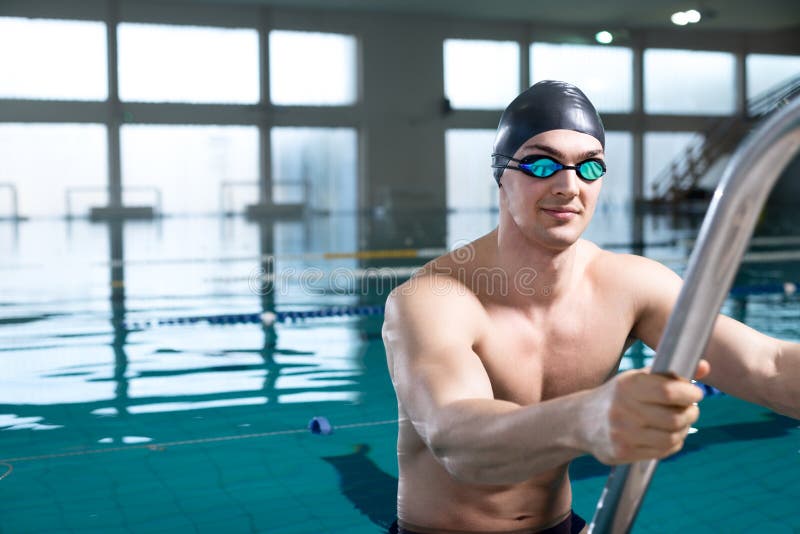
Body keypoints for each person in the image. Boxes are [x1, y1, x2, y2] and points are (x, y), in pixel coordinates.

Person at [381, 80, 800, 534]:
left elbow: (767, 366)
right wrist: (585, 417)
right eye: (542, 164)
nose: (568, 185)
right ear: (502, 174)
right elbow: (455, 438)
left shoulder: (630, 284)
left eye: (589, 167)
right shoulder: (431, 298)